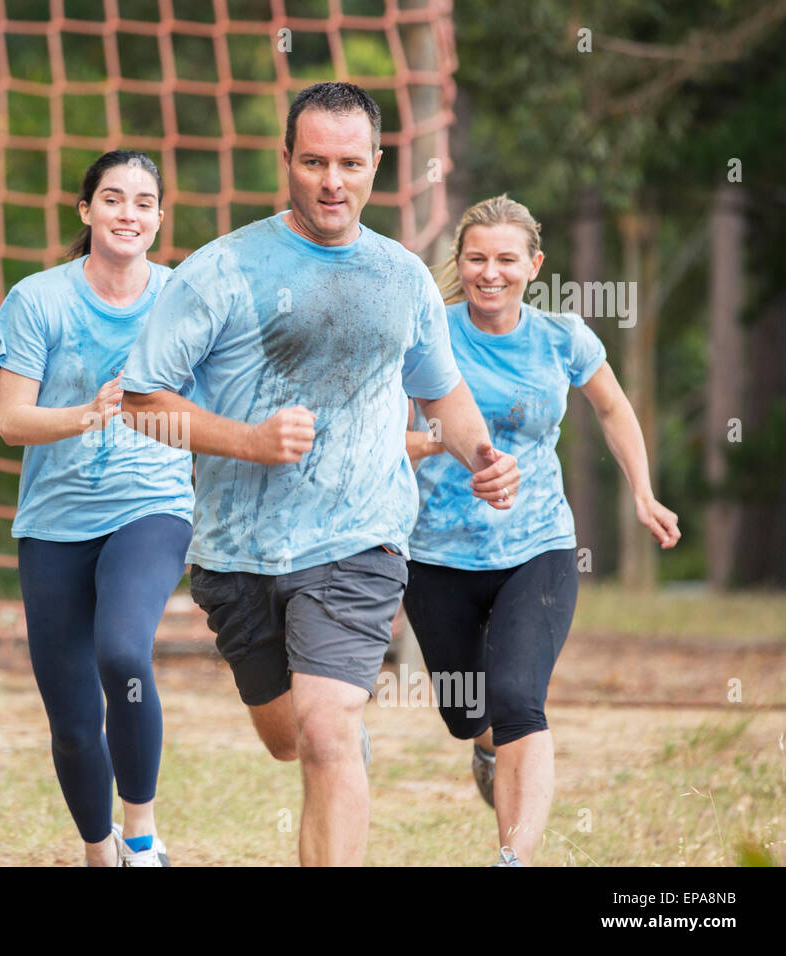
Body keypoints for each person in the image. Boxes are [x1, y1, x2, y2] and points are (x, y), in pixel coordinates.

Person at [120, 81, 521, 866]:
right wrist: (247, 441)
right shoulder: (223, 268)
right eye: (313, 162)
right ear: (287, 162)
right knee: (290, 739)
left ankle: (339, 747)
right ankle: (336, 742)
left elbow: (441, 392)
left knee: (326, 727)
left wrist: (482, 456)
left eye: (348, 162)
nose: (331, 181)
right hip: (238, 551)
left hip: (358, 541)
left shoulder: (403, 276)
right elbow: (141, 402)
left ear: (376, 164)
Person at [403, 194, 681, 866]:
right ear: (460, 263)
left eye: (505, 259)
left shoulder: (564, 338)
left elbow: (613, 409)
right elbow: (387, 436)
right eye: (476, 259)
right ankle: (485, 745)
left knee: (519, 696)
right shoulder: (426, 335)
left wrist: (643, 489)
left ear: (534, 265)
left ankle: (514, 857)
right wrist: (444, 445)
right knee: (469, 713)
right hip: (437, 554)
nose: (489, 273)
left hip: (539, 547)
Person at [0, 150, 194, 867]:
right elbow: (12, 423)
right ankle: (99, 851)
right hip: (53, 522)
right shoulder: (37, 300)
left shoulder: (183, 296)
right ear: (86, 211)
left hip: (152, 504)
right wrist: (88, 414)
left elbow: (219, 399)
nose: (128, 214)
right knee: (75, 724)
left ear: (159, 219)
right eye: (113, 199)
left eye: (144, 203)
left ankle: (141, 837)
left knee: (123, 651)